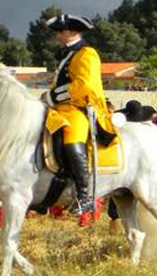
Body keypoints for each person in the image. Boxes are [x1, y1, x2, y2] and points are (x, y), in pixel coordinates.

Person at [42, 14, 117, 226]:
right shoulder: (70, 53)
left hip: (79, 109)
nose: (57, 34)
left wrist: (53, 96)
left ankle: (85, 196)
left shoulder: (87, 54)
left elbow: (84, 85)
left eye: (60, 30)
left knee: (70, 138)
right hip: (60, 109)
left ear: (71, 31)